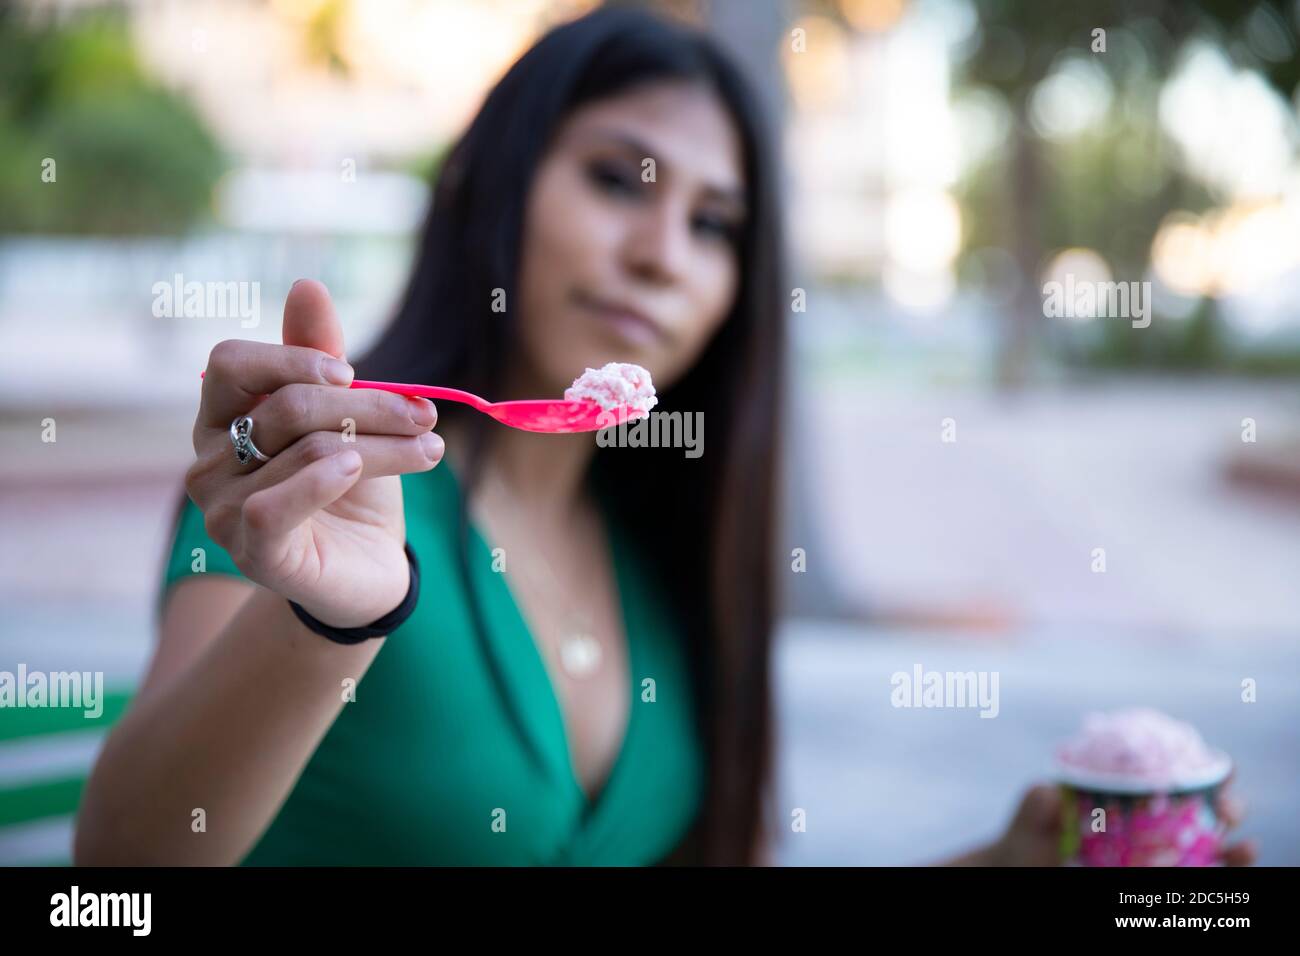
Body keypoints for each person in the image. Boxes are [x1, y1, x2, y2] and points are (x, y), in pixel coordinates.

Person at [74, 7, 1254, 867]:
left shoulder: (659, 552)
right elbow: (121, 872)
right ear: (493, 184)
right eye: (616, 180)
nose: (662, 252)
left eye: (714, 222)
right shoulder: (320, 484)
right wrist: (330, 617)